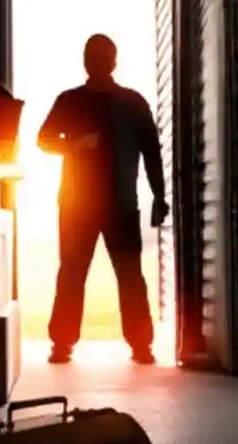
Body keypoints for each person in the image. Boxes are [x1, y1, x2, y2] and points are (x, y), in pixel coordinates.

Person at [37, 34, 169, 365]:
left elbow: (152, 153)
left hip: (121, 205)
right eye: (90, 56)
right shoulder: (69, 101)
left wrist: (160, 196)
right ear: (85, 61)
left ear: (113, 62)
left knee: (129, 274)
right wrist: (75, 145)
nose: (95, 62)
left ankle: (141, 345)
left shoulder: (133, 104)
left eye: (101, 56)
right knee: (71, 272)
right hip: (77, 205)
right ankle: (62, 343)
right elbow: (44, 139)